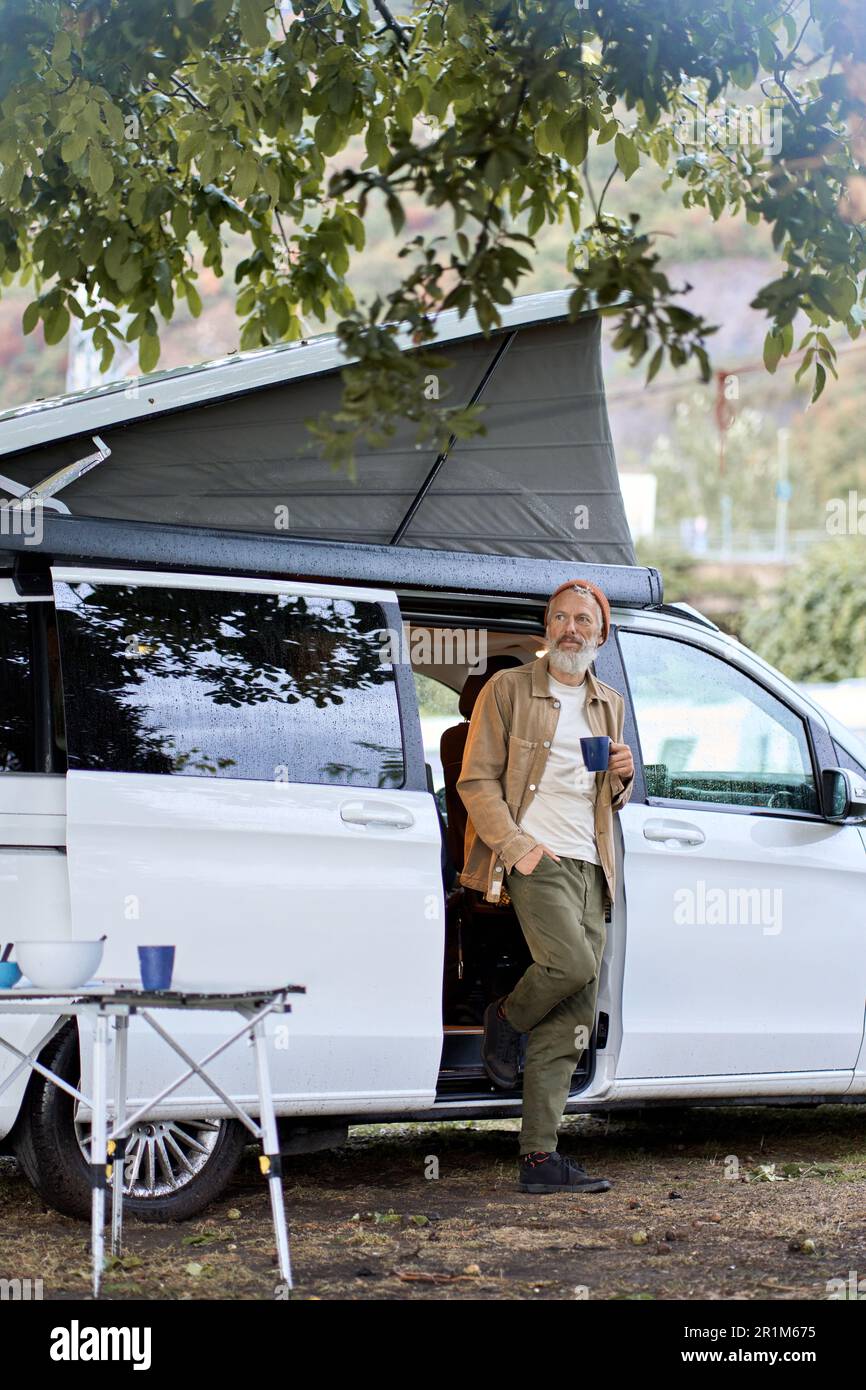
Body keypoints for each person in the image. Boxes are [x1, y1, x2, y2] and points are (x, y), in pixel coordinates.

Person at [456, 579, 635, 1194]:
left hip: (592, 863)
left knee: (576, 1006)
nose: (570, 629)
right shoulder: (507, 691)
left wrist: (623, 776)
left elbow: (604, 797)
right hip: (535, 858)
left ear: (600, 633)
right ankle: (505, 1017)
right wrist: (518, 848)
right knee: (572, 965)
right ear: (547, 627)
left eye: (583, 620)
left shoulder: (606, 702)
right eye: (560, 618)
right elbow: (475, 782)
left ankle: (539, 1158)